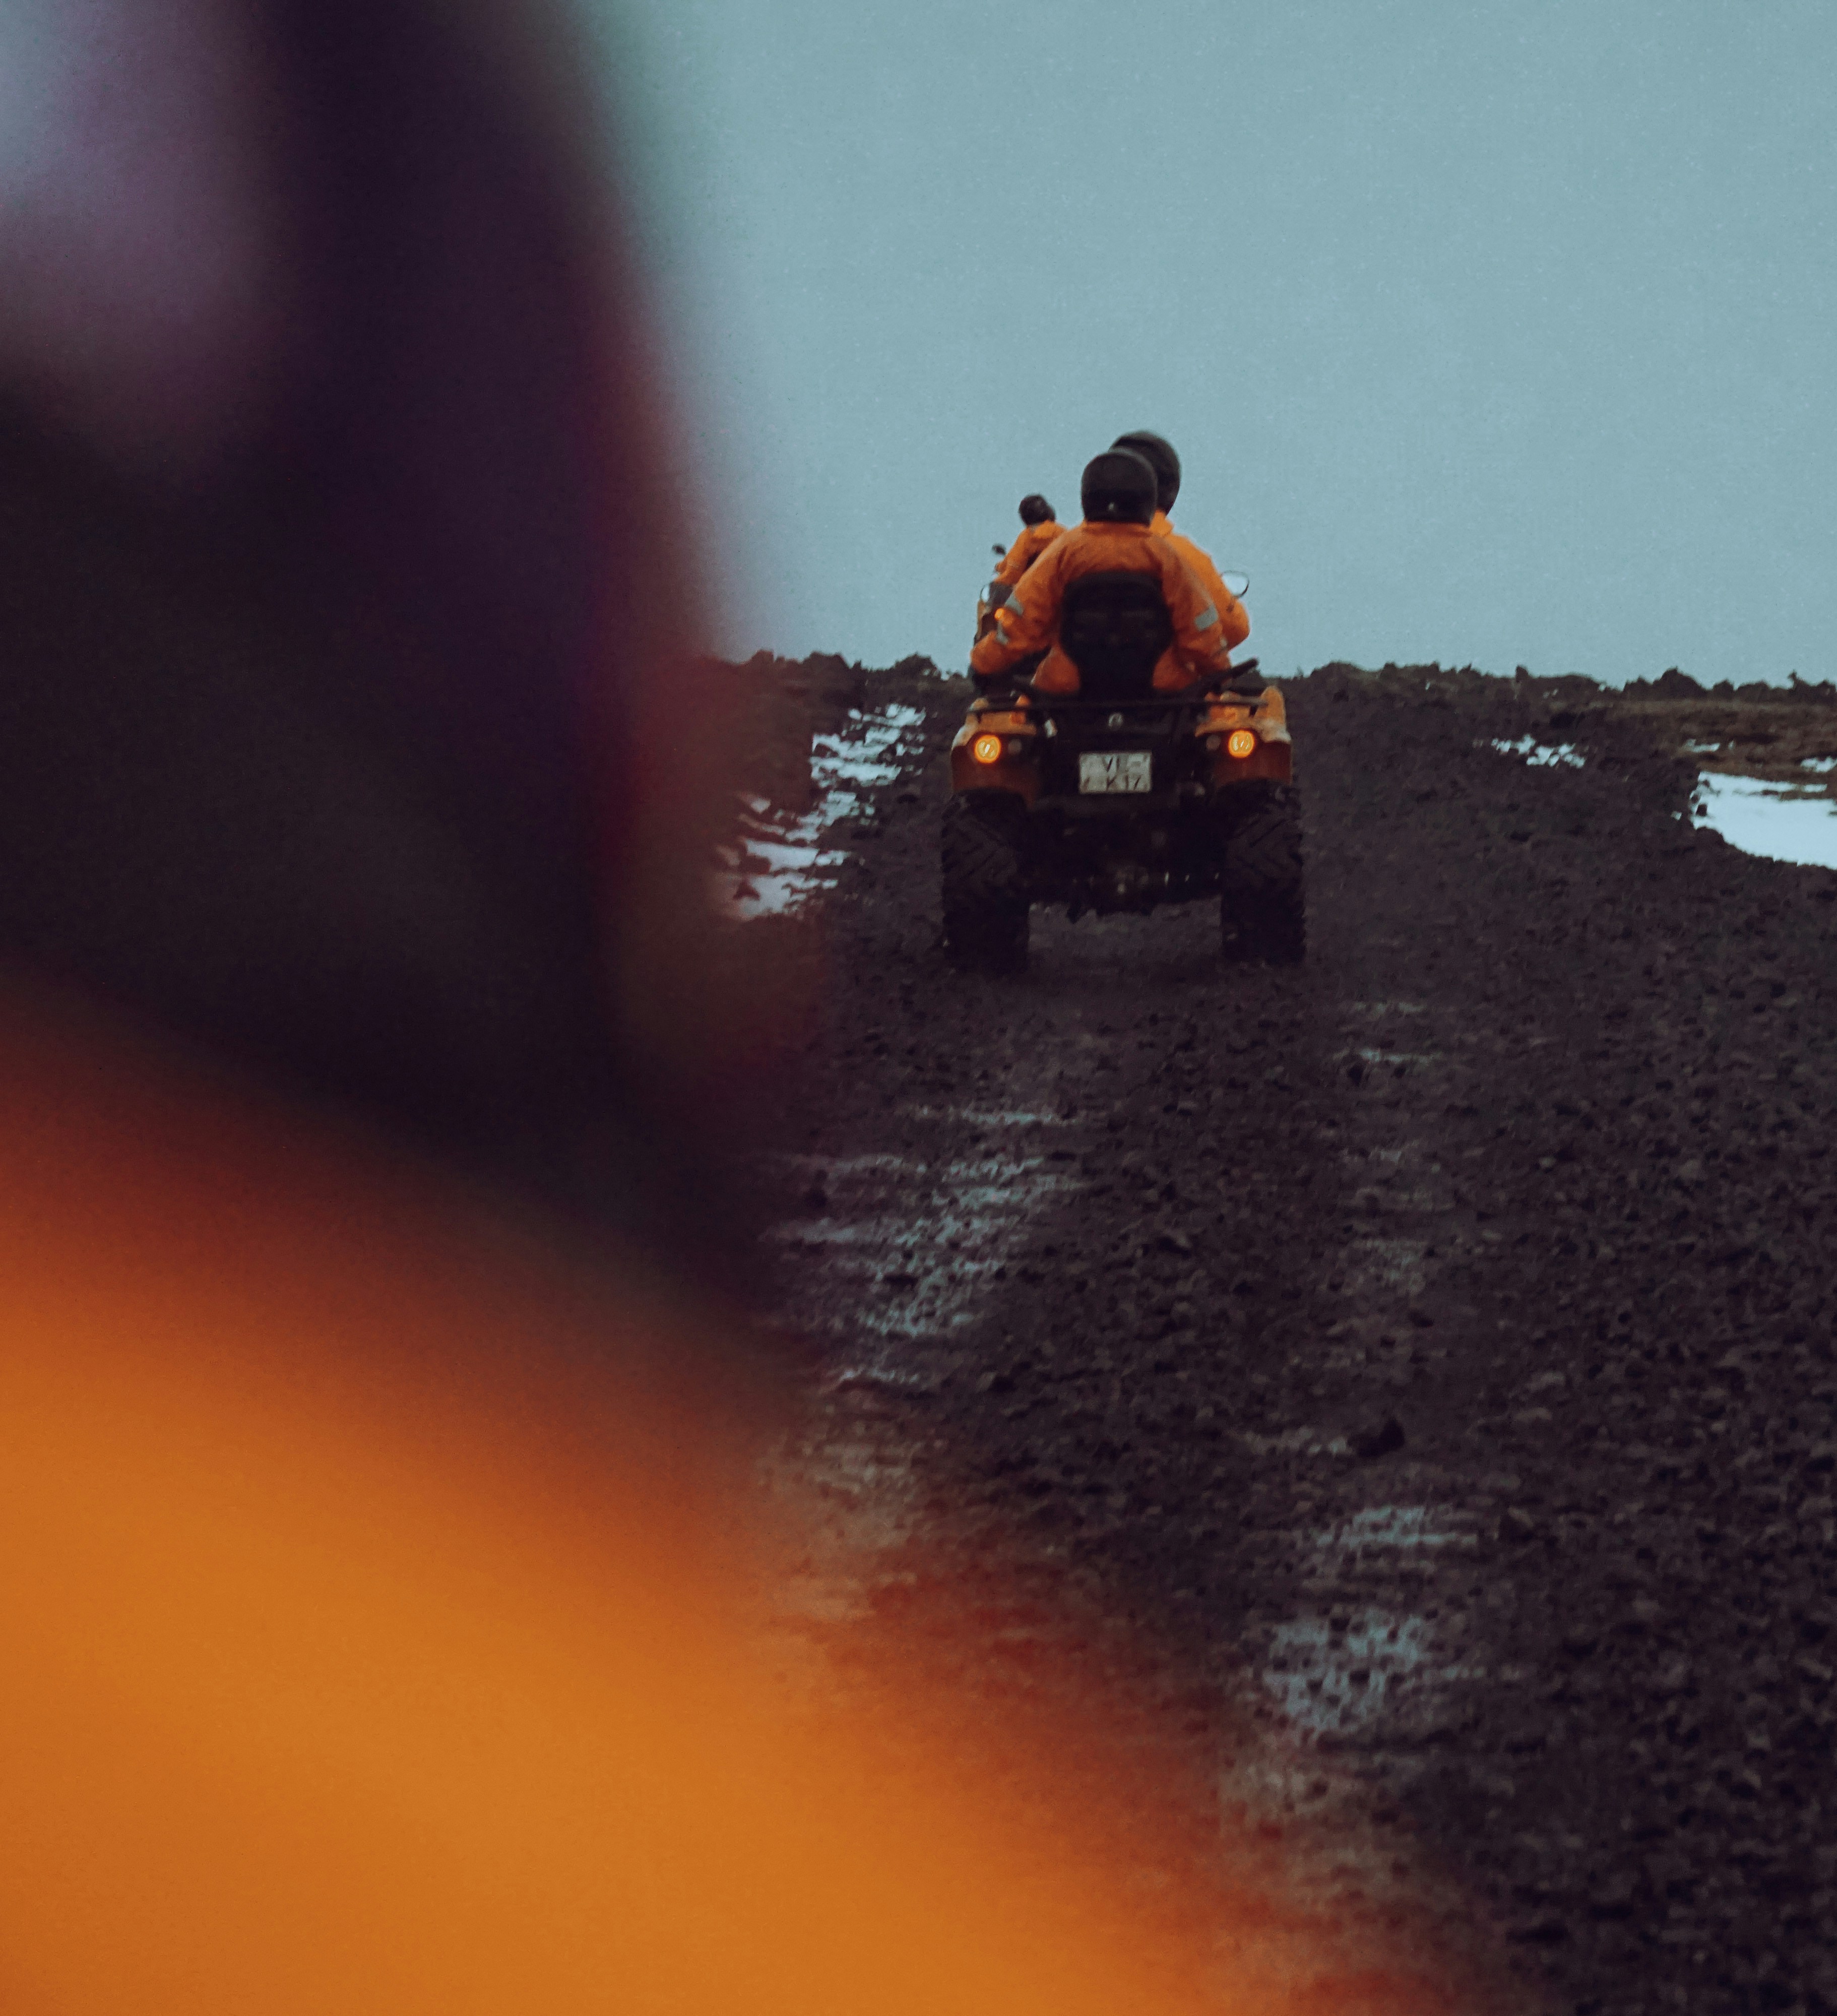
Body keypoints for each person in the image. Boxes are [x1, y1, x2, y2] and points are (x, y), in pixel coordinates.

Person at [0, 6, 1420, 2011]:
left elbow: (1205, 651)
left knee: (1221, 760)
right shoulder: (867, 1916)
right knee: (1012, 763)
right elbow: (1016, 652)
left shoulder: (1173, 582)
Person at [971, 449, 1234, 696]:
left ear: (1087, 498)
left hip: (1068, 689)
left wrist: (983, 664)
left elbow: (1021, 624)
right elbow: (1200, 628)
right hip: (1160, 690)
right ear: (1147, 500)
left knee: (1017, 716)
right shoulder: (1167, 556)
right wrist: (1220, 674)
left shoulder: (1063, 552)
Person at [1111, 429, 1251, 652]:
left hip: (1075, 674)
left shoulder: (1067, 550)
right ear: (1169, 490)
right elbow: (1234, 629)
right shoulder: (1183, 556)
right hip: (1160, 675)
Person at [974, 493, 1063, 646]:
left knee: (987, 603)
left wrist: (1000, 578)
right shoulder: (1063, 534)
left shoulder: (1028, 536)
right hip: (1060, 594)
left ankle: (984, 644)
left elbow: (1014, 569)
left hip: (1031, 596)